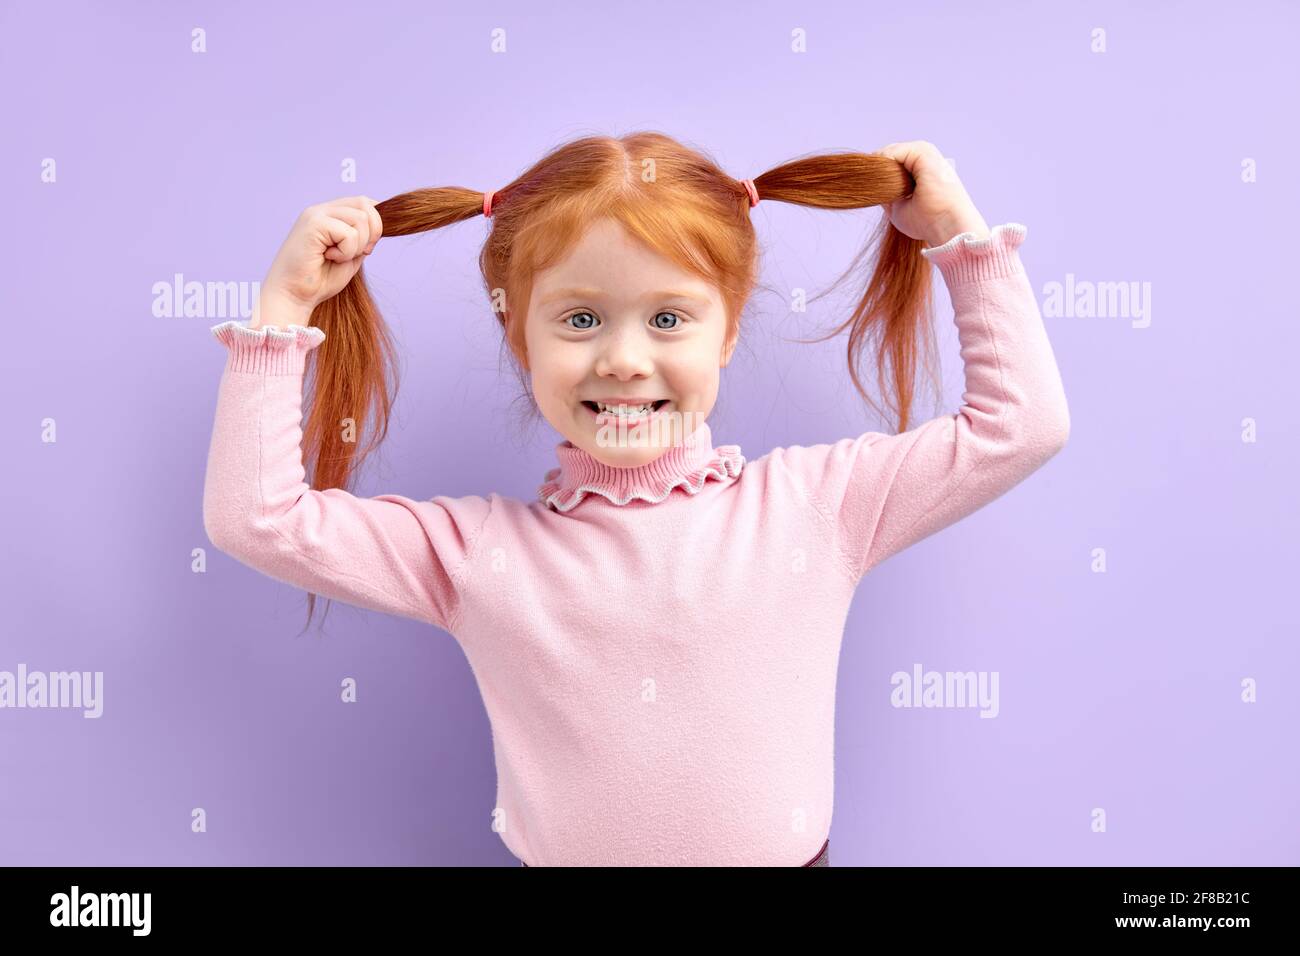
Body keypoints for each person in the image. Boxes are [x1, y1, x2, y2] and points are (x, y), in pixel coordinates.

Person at [203, 135, 1069, 866]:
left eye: (669, 319)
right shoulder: (474, 553)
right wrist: (284, 309)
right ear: (521, 337)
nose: (623, 358)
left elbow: (1021, 425)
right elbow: (258, 517)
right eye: (580, 319)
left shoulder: (818, 507)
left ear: (728, 330)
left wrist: (957, 234)